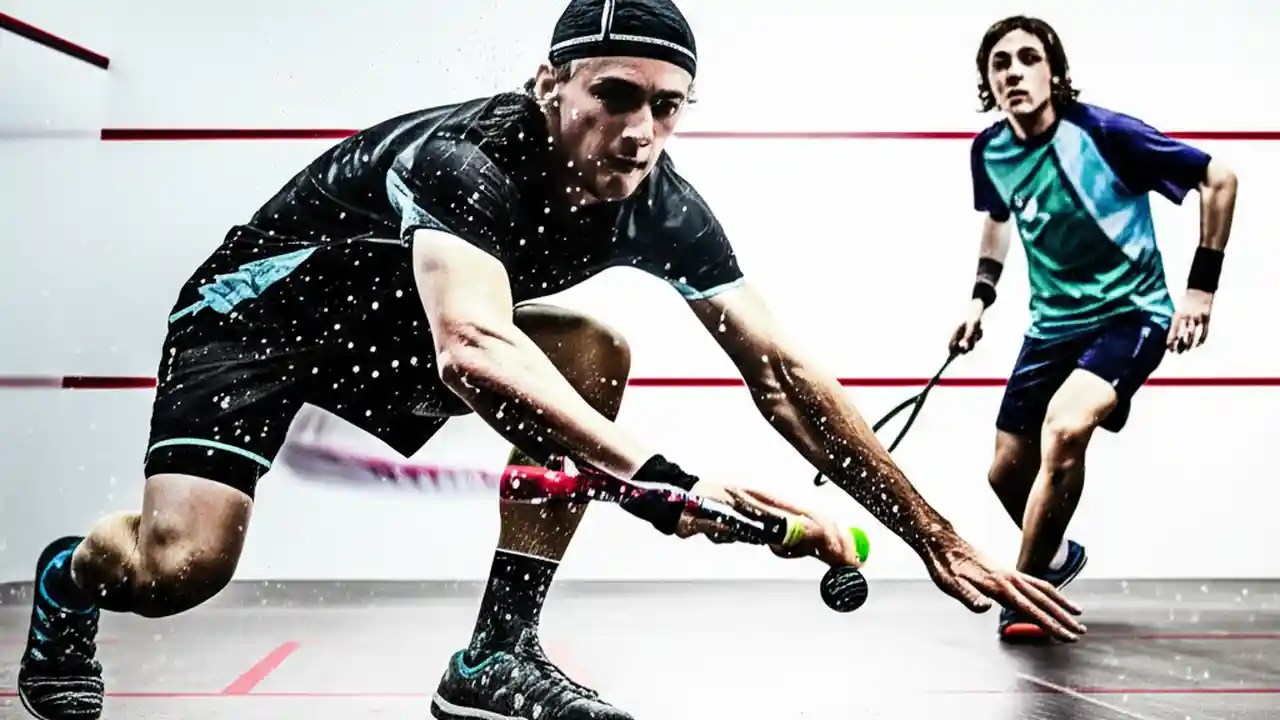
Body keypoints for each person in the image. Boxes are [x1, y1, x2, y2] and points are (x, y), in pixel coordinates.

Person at [18, 2, 1086, 719]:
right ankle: (69, 580)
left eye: (666, 106)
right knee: (178, 573)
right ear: (551, 85)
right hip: (255, 323)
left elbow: (780, 372)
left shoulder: (662, 200)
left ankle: (492, 656)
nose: (639, 131)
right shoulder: (466, 156)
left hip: (399, 329)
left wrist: (933, 536)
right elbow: (474, 348)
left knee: (592, 347)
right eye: (614, 96)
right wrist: (665, 483)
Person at [950, 15, 1239, 642]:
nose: (1014, 72)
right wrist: (980, 298)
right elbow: (997, 220)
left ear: (1054, 72)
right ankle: (1054, 557)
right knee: (1003, 471)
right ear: (988, 82)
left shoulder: (1106, 134)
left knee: (1065, 426)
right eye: (1000, 64)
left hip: (1131, 313)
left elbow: (1219, 179)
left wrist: (1201, 289)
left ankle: (1026, 594)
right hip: (1051, 325)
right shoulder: (990, 151)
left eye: (1029, 58)